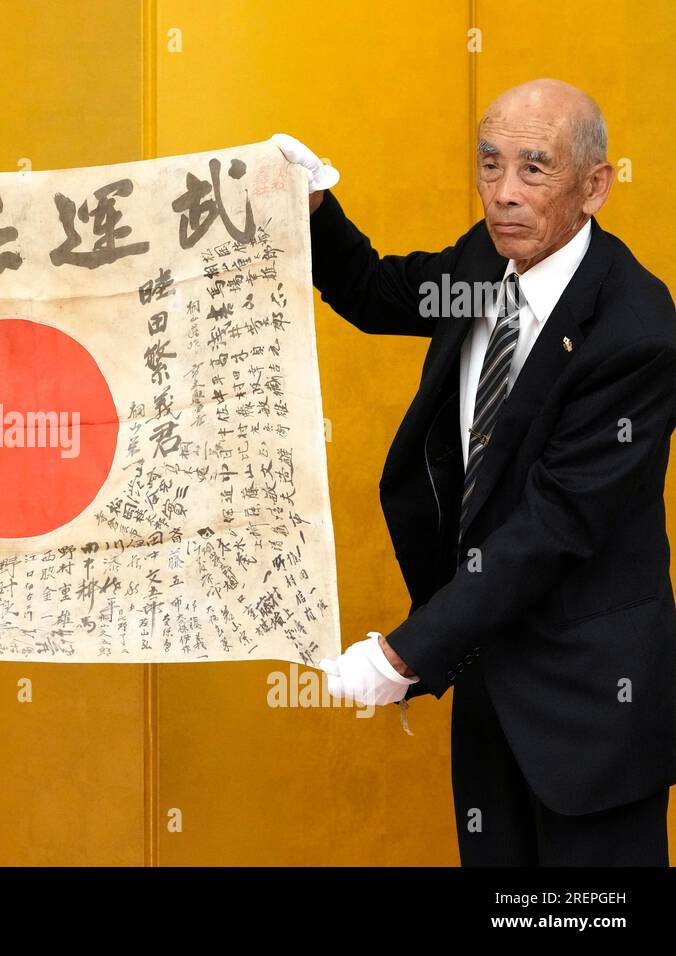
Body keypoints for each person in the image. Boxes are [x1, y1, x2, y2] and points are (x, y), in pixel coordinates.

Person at [276, 78, 676, 865]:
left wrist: (404, 654)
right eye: (489, 165)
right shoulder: (485, 261)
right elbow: (377, 293)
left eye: (534, 169)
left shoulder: (635, 330)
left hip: (589, 698)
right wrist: (316, 208)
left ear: (595, 185)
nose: (503, 194)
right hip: (491, 670)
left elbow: (552, 525)